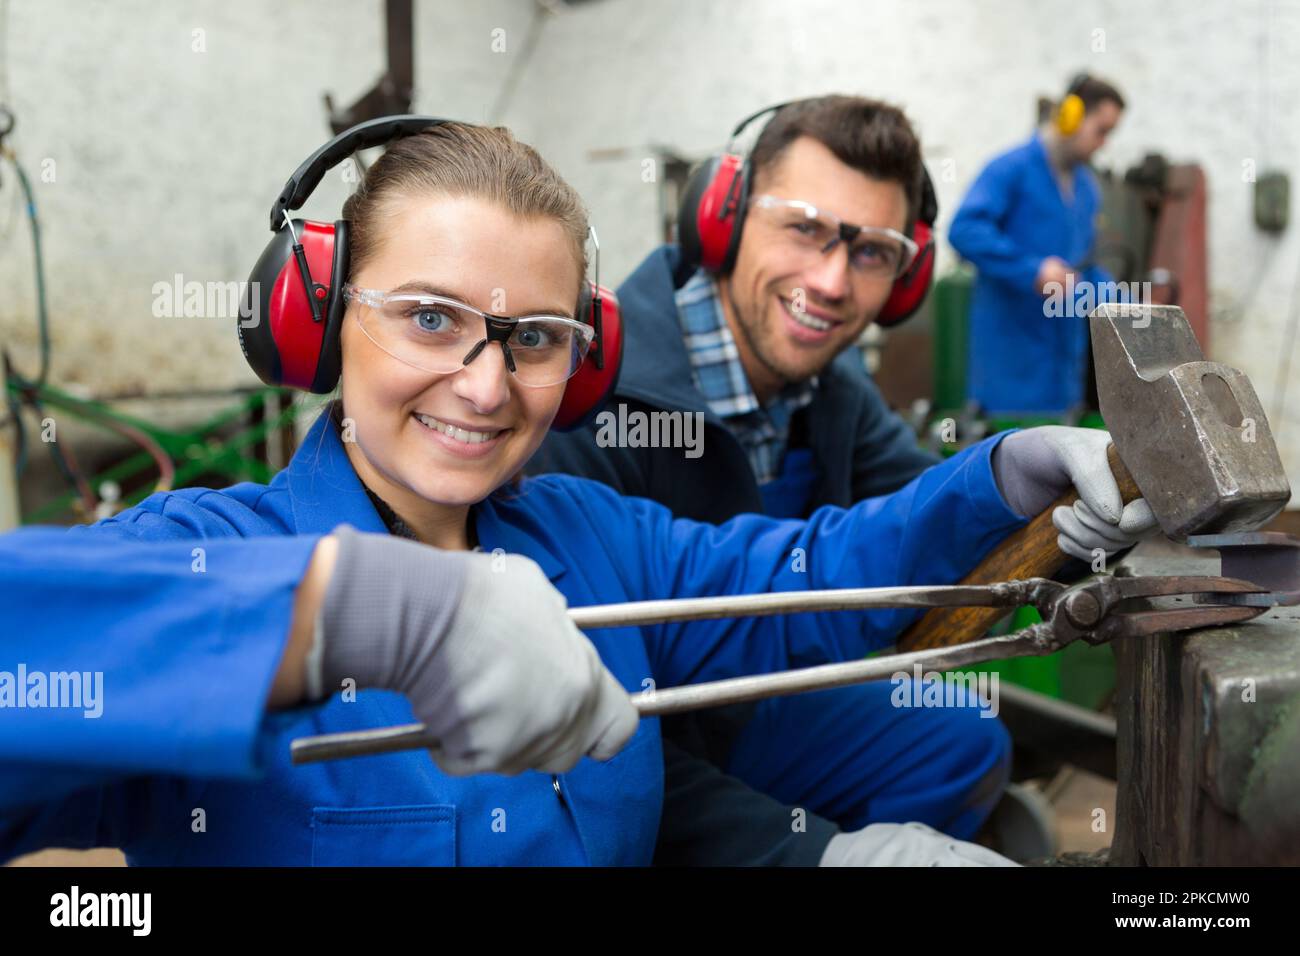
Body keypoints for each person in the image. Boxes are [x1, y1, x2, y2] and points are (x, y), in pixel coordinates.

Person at [0, 119, 1150, 866]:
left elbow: (807, 575)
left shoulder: (592, 539)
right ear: (313, 319)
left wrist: (1004, 476)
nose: (488, 382)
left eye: (534, 337)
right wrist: (343, 616)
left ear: (586, 360)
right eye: (429, 317)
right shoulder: (207, 557)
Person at [949, 74, 1125, 416]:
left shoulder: (1087, 190)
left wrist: (1125, 301)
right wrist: (1032, 270)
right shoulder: (1009, 169)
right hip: (1009, 368)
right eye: (1101, 130)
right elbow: (965, 229)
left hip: (1062, 373)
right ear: (1070, 116)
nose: (1104, 144)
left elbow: (1083, 268)